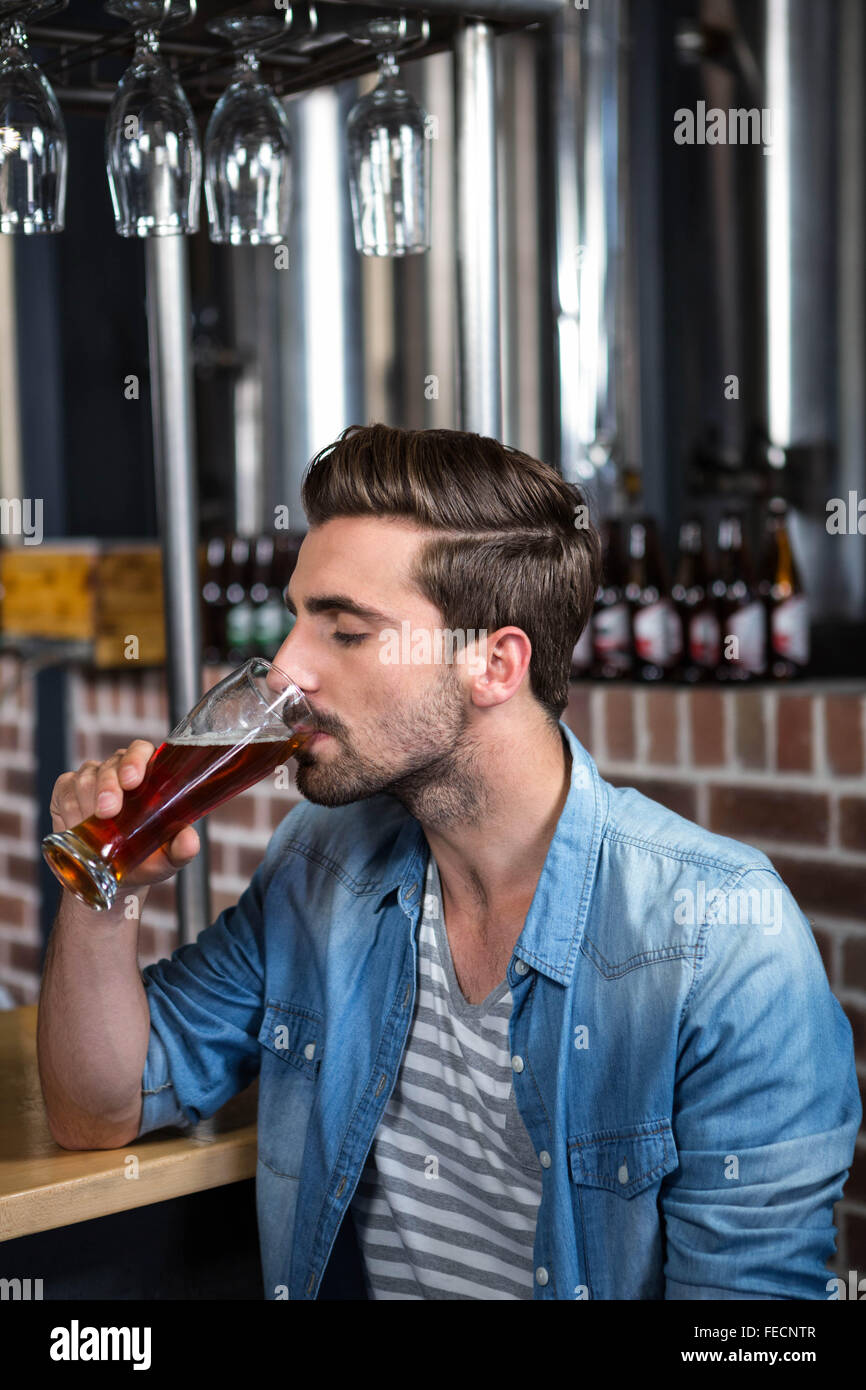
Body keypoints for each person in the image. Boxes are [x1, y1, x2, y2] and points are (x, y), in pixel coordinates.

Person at [38, 423, 860, 1301]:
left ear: (495, 664)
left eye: (344, 631)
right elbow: (97, 1109)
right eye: (297, 619)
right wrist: (103, 887)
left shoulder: (724, 942)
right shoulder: (322, 866)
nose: (285, 669)